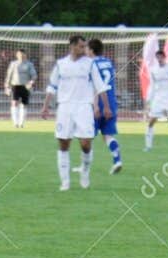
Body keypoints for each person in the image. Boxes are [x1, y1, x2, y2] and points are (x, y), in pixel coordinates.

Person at [40, 35, 106, 190]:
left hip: (84, 106)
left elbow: (100, 86)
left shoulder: (90, 64)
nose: (84, 49)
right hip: (64, 107)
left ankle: (85, 172)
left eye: (85, 46)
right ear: (72, 46)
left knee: (85, 143)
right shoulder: (61, 64)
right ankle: (65, 182)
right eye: (81, 46)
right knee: (63, 143)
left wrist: (106, 107)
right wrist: (45, 106)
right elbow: (52, 86)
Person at [87, 37, 122, 174]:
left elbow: (96, 86)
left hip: (98, 102)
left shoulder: (91, 64)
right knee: (108, 135)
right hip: (111, 102)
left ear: (91, 50)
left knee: (87, 136)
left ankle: (86, 167)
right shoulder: (109, 63)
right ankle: (117, 160)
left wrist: (95, 106)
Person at [4, 48, 36, 128]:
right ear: (17, 55)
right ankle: (15, 123)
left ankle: (21, 123)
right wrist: (7, 86)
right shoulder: (13, 64)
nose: (21, 55)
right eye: (19, 54)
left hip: (25, 86)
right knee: (14, 103)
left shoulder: (29, 64)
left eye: (22, 54)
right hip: (15, 85)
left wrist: (31, 82)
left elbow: (34, 75)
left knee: (24, 104)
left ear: (25, 55)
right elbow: (9, 75)